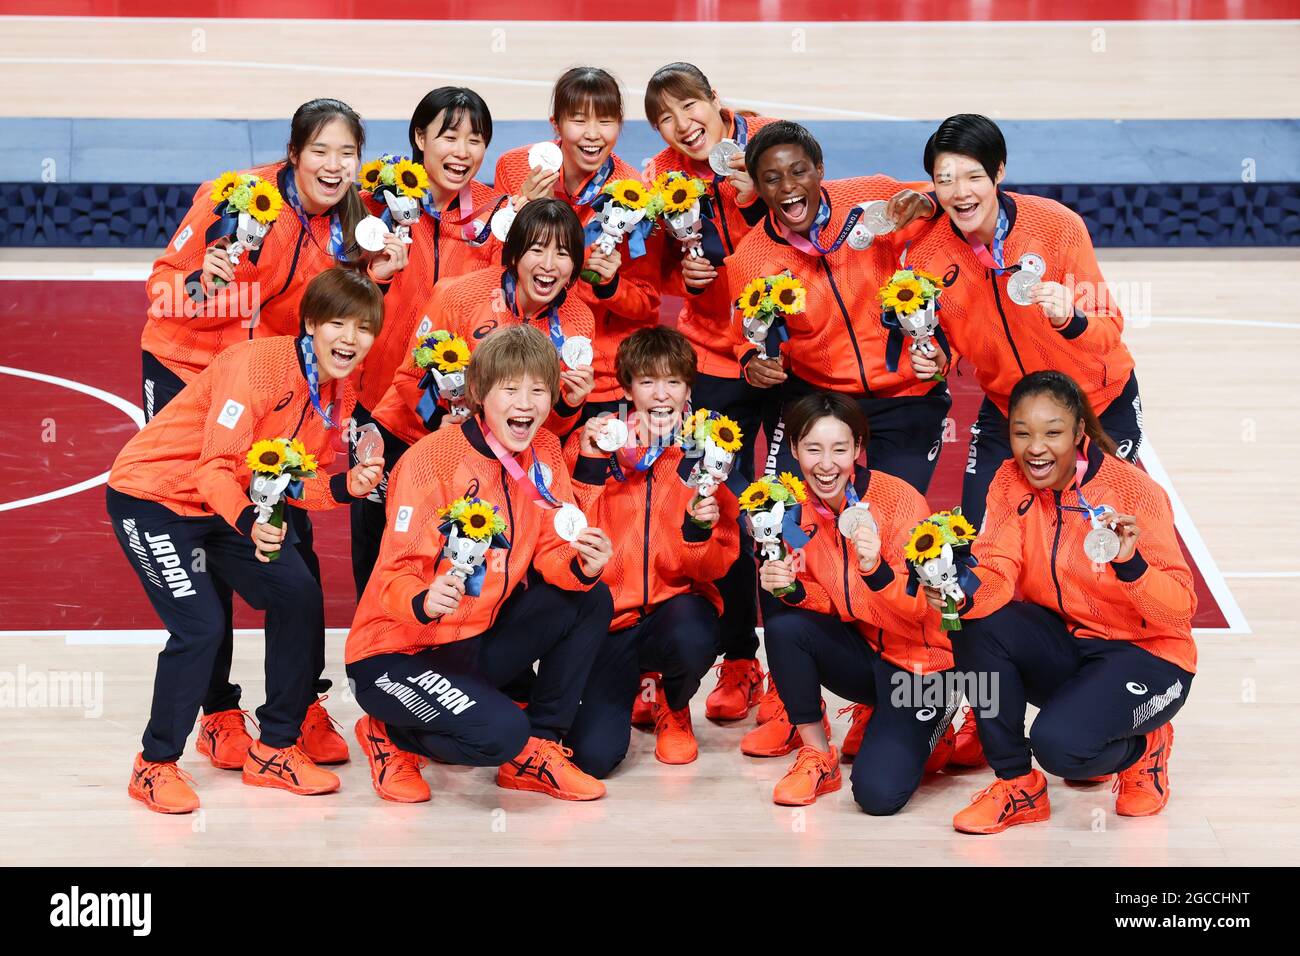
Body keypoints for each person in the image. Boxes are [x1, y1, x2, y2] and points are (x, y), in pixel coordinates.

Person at [141, 99, 406, 763]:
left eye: (348, 153)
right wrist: (207, 281)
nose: (335, 165)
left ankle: (300, 700)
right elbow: (162, 292)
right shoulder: (234, 198)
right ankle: (218, 711)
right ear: (294, 153)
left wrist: (376, 279)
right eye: (321, 150)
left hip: (277, 382)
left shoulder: (355, 224)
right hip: (190, 373)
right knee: (208, 529)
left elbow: (340, 315)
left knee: (295, 527)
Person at [108, 268, 386, 813]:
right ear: (310, 324)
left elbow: (291, 478)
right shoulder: (255, 365)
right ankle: (155, 764)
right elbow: (215, 469)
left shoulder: (341, 390)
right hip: (156, 498)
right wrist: (247, 523)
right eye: (337, 325)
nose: (350, 340)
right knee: (202, 627)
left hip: (223, 505)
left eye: (364, 329)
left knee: (298, 591)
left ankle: (275, 748)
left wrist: (342, 486)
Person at [347, 325, 616, 804]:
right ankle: (387, 733)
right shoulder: (429, 460)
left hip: (471, 642)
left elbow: (553, 552)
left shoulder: (547, 452)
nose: (526, 404)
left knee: (590, 597)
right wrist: (423, 600)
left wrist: (582, 566)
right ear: (478, 394)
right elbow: (394, 570)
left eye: (538, 390)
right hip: (398, 652)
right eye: (510, 389)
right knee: (500, 733)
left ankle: (541, 749)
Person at [931, 370, 1195, 835]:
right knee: (974, 624)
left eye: (1052, 432)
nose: (1036, 448)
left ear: (1079, 433)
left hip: (1147, 655)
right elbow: (997, 572)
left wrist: (1131, 565)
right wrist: (960, 594)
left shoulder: (1133, 491)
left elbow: (1179, 611)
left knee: (1061, 749)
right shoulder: (1009, 481)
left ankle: (1145, 746)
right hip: (1069, 644)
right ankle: (1017, 784)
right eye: (1022, 433)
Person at [904, 113, 1143, 530]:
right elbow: (949, 334)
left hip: (1097, 402)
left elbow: (1110, 327)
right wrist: (940, 356)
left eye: (974, 176)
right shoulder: (927, 254)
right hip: (1009, 410)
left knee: (1091, 534)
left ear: (999, 172)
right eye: (945, 180)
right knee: (977, 533)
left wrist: (1072, 319)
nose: (960, 193)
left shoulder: (1057, 226)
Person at [356, 199, 595, 593]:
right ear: (515, 254)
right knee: (383, 569)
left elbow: (544, 425)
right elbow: (408, 376)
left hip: (481, 460)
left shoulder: (577, 322)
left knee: (460, 573)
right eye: (537, 249)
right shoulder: (461, 295)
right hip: (407, 436)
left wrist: (570, 404)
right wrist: (439, 423)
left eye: (563, 253)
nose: (549, 264)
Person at [641, 61, 780, 719]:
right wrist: (685, 277)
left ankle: (789, 672)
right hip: (715, 362)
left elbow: (814, 227)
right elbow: (662, 269)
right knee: (717, 504)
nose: (681, 125)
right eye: (665, 118)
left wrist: (754, 189)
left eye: (688, 106)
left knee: (786, 512)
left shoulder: (771, 141)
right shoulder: (661, 175)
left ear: (715, 100)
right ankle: (740, 662)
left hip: (787, 362)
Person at [747, 392, 958, 810]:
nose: (827, 464)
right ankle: (817, 755)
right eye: (812, 449)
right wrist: (791, 587)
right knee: (786, 623)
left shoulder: (899, 502)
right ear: (793, 449)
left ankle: (940, 723)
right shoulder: (795, 513)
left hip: (924, 665)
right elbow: (833, 601)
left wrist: (877, 570)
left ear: (859, 449)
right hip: (864, 655)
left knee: (878, 795)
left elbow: (928, 607)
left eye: (840, 449)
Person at [724, 120, 950, 496]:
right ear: (759, 188)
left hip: (905, 396)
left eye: (799, 171)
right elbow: (743, 337)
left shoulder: (871, 197)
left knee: (896, 514)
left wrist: (926, 201)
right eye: (772, 178)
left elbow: (942, 201)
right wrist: (752, 363)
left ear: (820, 171)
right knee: (788, 516)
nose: (789, 186)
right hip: (817, 400)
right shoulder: (750, 259)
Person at [350, 87, 509, 599]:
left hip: (461, 413)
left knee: (457, 537)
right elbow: (336, 300)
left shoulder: (498, 217)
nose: (462, 151)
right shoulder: (376, 207)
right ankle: (373, 655)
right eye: (448, 136)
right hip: (380, 407)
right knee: (376, 536)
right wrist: (371, 279)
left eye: (475, 139)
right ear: (420, 138)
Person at [563, 328, 739, 774]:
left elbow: (717, 564)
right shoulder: (595, 441)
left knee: (694, 630)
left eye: (673, 382)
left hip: (672, 608)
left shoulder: (707, 455)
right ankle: (630, 686)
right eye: (647, 382)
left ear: (688, 388)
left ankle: (674, 705)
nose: (661, 396)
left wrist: (700, 531)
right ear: (626, 388)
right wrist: (588, 466)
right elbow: (570, 533)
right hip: (607, 617)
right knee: (595, 758)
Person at [494, 66, 662, 418]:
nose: (592, 135)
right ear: (555, 123)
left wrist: (611, 286)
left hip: (593, 375)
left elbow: (647, 303)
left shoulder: (636, 194)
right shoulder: (515, 168)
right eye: (579, 120)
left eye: (605, 121)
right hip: (516, 364)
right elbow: (490, 266)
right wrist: (518, 211)